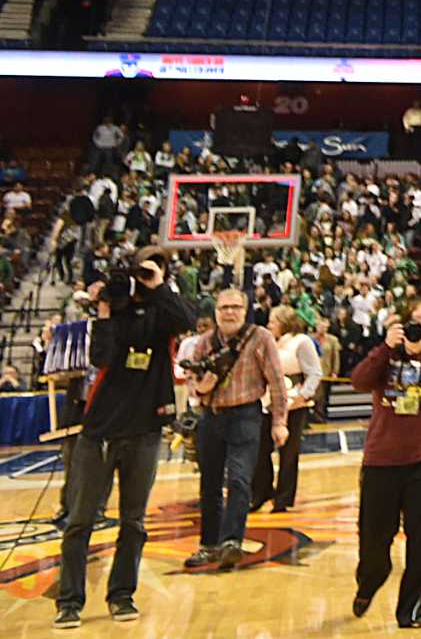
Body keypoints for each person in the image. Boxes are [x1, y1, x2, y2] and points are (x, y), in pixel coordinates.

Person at [53, 248, 193, 627]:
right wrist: (103, 309)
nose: (148, 274)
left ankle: (121, 595)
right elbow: (100, 357)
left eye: (157, 268)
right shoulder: (113, 307)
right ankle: (69, 601)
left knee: (134, 521)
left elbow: (186, 319)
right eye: (144, 267)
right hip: (99, 432)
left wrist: (158, 286)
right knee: (80, 520)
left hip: (144, 430)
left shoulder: (162, 313)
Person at [348, 312, 421, 628]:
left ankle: (412, 608)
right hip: (381, 460)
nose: (416, 330)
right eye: (411, 324)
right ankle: (370, 580)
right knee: (373, 540)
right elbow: (359, 380)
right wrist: (386, 348)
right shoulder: (385, 353)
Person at [183, 288, 289, 572]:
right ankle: (208, 545)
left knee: (240, 480)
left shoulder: (260, 337)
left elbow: (277, 382)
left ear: (245, 310)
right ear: (215, 312)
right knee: (209, 484)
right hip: (211, 415)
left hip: (245, 415)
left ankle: (231, 541)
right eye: (223, 308)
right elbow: (192, 382)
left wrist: (279, 422)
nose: (229, 312)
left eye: (235, 307)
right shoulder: (205, 341)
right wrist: (201, 387)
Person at [252, 307, 322, 512]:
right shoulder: (268, 341)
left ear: (284, 322)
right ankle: (261, 492)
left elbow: (315, 372)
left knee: (289, 453)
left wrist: (303, 396)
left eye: (273, 321)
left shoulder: (302, 341)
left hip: (293, 403)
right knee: (260, 449)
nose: (269, 324)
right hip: (267, 402)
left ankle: (283, 498)